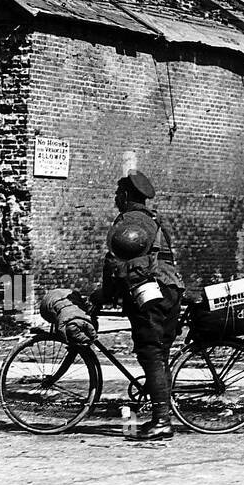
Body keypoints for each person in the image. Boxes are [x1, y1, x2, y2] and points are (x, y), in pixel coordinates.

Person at [90, 170, 183, 441]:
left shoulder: (129, 222)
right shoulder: (152, 221)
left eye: (118, 194)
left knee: (150, 353)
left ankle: (162, 422)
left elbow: (115, 265)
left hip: (153, 294)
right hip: (170, 289)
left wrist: (103, 295)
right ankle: (160, 415)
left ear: (127, 196)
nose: (115, 199)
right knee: (159, 353)